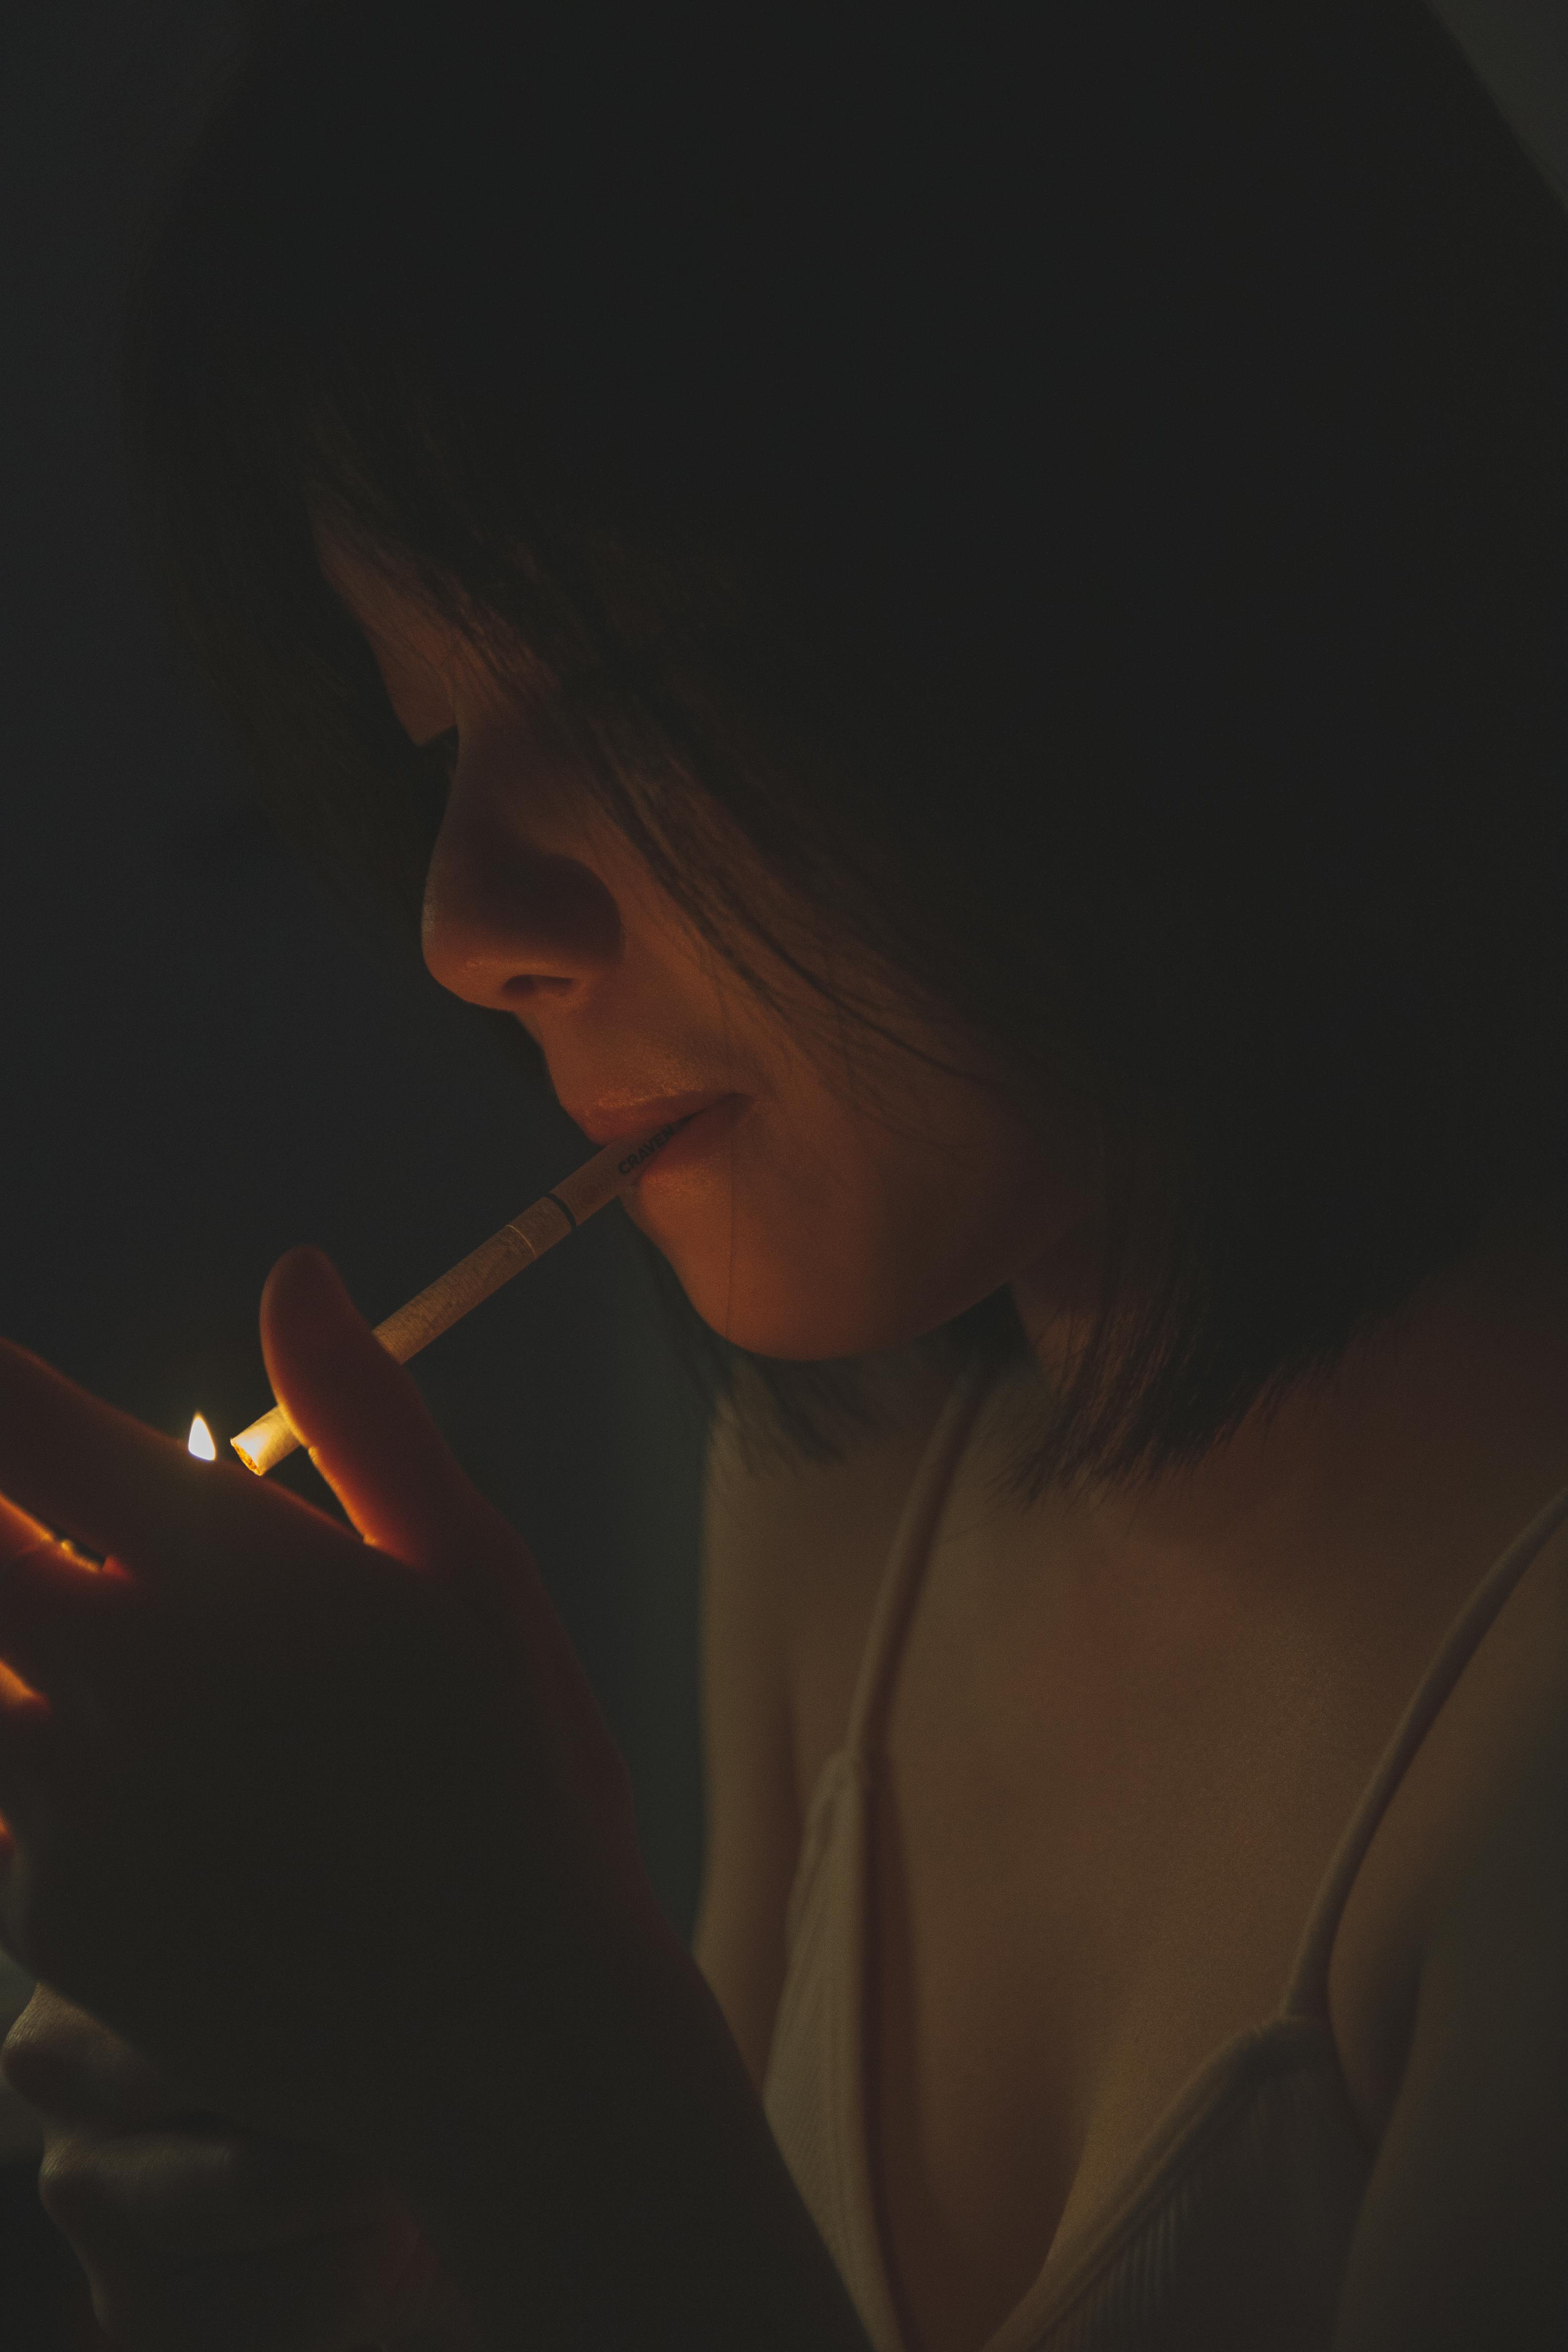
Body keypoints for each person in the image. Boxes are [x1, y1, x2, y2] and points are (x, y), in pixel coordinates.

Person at [2, 1, 1567, 2345]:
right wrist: (354, 2254)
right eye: (430, 734)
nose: (458, 923)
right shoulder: (853, 1479)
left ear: (1127, 592)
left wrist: (521, 2062)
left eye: (620, 693)